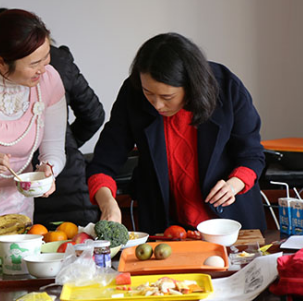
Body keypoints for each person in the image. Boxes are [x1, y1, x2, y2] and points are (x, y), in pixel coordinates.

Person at [86, 32, 267, 234]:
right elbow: (103, 163)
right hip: (165, 225)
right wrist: (109, 205)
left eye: (167, 96)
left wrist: (234, 184)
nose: (157, 105)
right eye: (149, 93)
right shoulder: (133, 93)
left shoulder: (226, 87)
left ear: (191, 86)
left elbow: (252, 156)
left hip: (228, 223)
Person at [0, 9, 66, 220]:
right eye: (34, 64)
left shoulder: (48, 80)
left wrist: (48, 169)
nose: (43, 69)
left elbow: (54, 147)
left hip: (16, 206)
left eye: (46, 57)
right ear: (2, 63)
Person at [33, 45, 105, 228]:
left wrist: (62, 143)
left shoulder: (52, 69)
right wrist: (68, 144)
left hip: (56, 178)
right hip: (68, 185)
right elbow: (93, 115)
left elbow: (94, 115)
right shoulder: (59, 59)